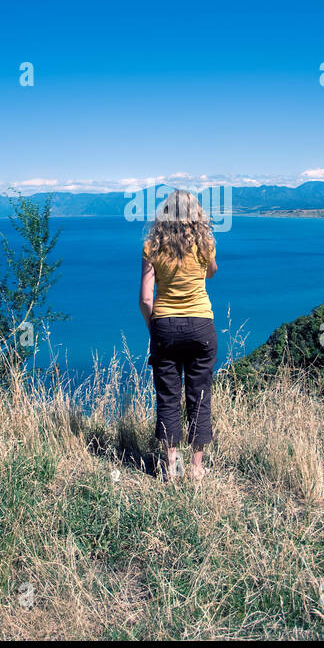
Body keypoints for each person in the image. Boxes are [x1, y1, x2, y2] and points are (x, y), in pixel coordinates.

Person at [138, 189, 218, 480]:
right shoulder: (205, 244)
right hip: (201, 326)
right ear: (196, 214)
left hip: (165, 326)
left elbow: (146, 299)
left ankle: (173, 467)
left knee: (168, 397)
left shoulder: (152, 247)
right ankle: (196, 468)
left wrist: (155, 328)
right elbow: (211, 272)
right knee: (199, 396)